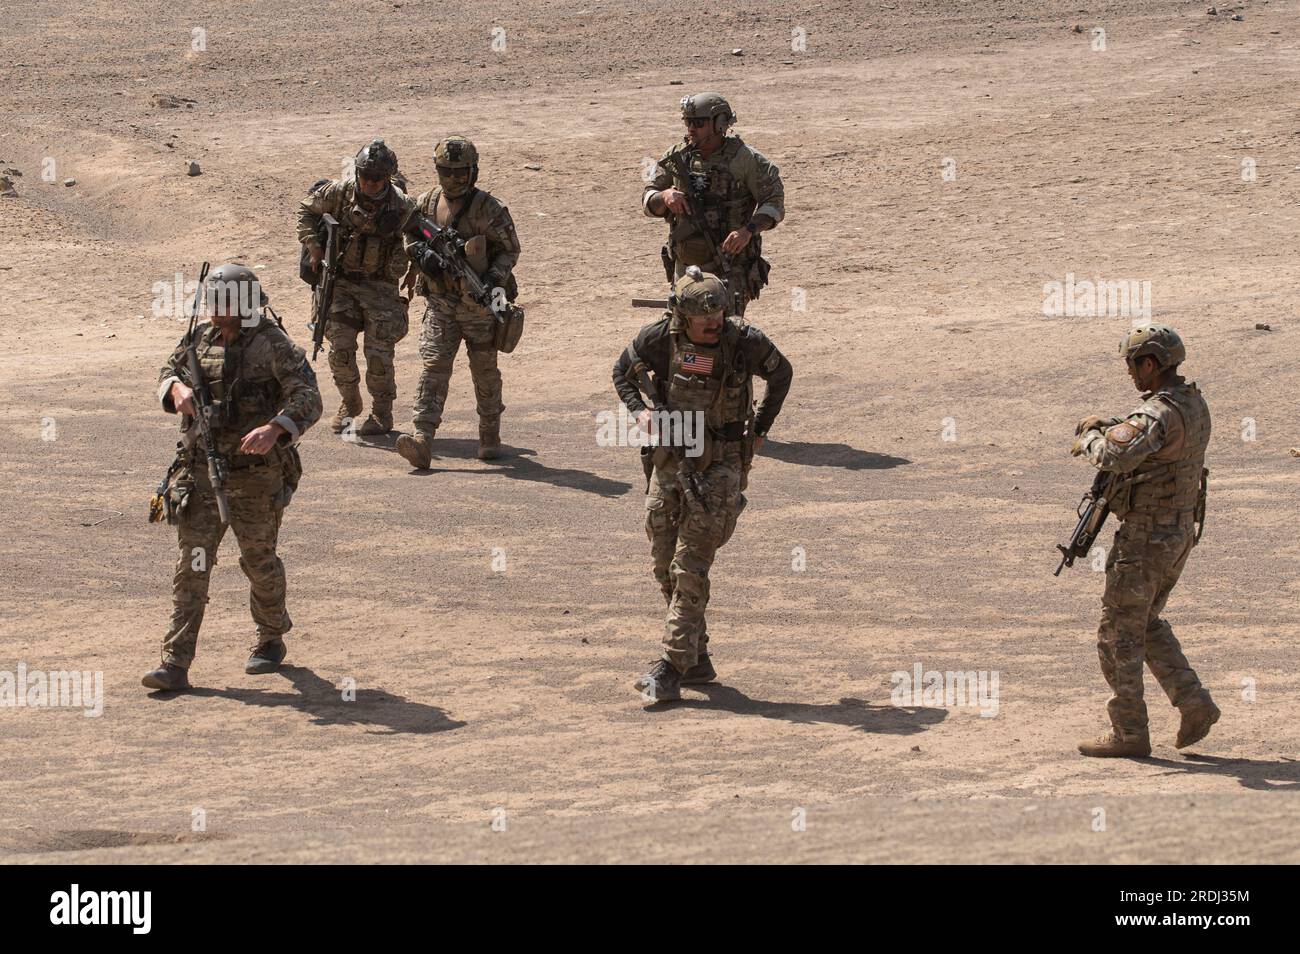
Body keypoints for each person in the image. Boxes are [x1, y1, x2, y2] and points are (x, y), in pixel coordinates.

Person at [612, 267, 792, 701]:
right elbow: (622, 373)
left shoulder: (745, 341)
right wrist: (641, 411)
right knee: (663, 561)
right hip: (671, 457)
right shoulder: (659, 339)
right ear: (682, 317)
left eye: (719, 318)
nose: (714, 325)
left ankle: (671, 666)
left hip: (722, 461)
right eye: (704, 320)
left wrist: (761, 427)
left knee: (690, 564)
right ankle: (698, 659)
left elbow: (782, 374)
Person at [144, 264, 322, 691]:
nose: (214, 313)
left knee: (258, 563)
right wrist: (175, 390)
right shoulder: (198, 339)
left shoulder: (273, 345)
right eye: (212, 304)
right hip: (200, 473)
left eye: (223, 305)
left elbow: (309, 397)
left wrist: (276, 427)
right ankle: (175, 663)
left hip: (255, 479)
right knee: (192, 564)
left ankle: (270, 635)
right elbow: (166, 372)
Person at [1071, 323, 1219, 757]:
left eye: (1134, 364)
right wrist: (1115, 423)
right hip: (1178, 533)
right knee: (1145, 623)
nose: (1130, 373)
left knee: (1118, 634)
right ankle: (1193, 702)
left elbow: (1115, 455)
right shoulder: (1192, 403)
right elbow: (1152, 438)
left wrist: (1090, 437)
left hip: (1145, 540)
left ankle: (1129, 733)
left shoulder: (1157, 413)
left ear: (1151, 364)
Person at [396, 136, 522, 466]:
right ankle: (423, 438)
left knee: (485, 372)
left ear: (473, 172)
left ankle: (489, 434)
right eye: (447, 172)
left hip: (479, 307)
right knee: (433, 368)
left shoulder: (489, 208)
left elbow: (510, 249)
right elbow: (410, 233)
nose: (454, 179)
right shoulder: (426, 202)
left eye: (460, 172)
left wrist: (494, 279)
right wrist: (422, 255)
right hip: (441, 304)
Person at [296, 139, 420, 436]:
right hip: (341, 282)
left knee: (379, 355)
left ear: (388, 177)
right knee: (340, 350)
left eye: (378, 178)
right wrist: (313, 247)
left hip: (380, 286)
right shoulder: (339, 192)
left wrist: (412, 271)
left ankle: (381, 413)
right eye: (365, 176)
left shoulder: (401, 205)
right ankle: (350, 403)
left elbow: (418, 237)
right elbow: (306, 211)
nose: (371, 183)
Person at [642, 92, 784, 317]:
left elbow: (774, 203)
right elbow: (648, 199)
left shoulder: (745, 160)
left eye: (698, 123)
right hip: (686, 267)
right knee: (679, 331)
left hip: (730, 267)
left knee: (725, 333)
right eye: (688, 122)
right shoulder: (676, 156)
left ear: (719, 124)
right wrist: (665, 196)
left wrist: (747, 231)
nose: (691, 128)